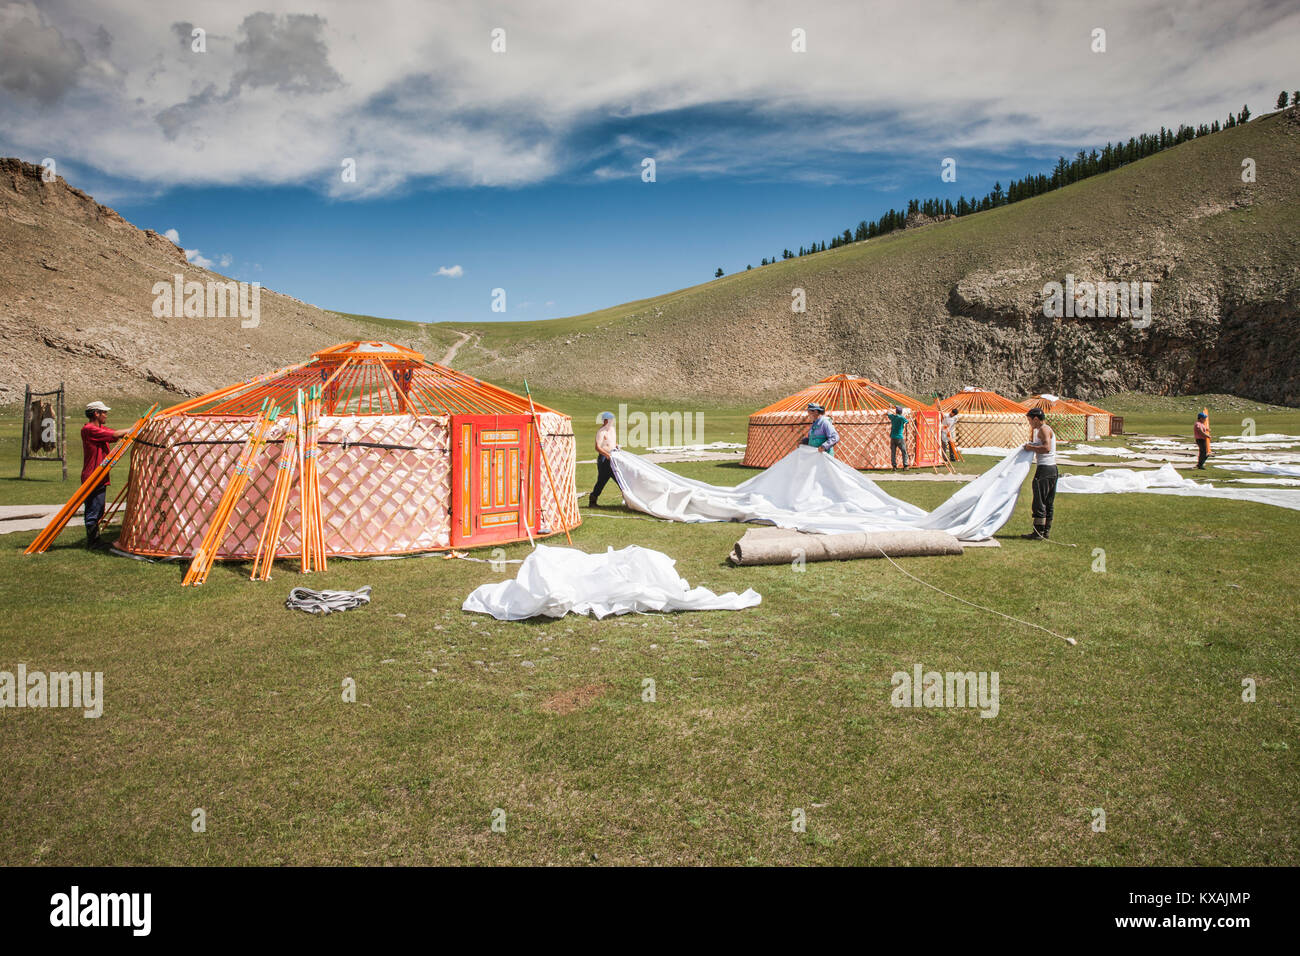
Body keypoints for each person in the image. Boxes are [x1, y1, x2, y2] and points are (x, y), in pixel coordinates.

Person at [81, 401, 129, 548]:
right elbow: (115, 434)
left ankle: (95, 540)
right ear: (96, 413)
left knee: (99, 508)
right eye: (104, 413)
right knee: (94, 508)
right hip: (93, 475)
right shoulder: (89, 429)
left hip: (100, 475)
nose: (106, 415)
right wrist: (138, 427)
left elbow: (116, 434)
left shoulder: (99, 429)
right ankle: (93, 542)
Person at [1021, 407, 1057, 540]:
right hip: (1051, 469)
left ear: (1036, 419)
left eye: (1030, 420)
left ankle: (1038, 532)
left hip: (1045, 469)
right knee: (1048, 501)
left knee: (1039, 500)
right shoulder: (1044, 429)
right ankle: (1045, 531)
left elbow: (1046, 448)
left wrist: (1030, 448)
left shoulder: (1043, 429)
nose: (1029, 423)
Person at [588, 411, 621, 507]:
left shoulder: (612, 429)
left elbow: (612, 442)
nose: (611, 422)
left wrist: (617, 446)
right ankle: (593, 500)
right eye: (609, 420)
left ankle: (628, 498)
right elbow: (597, 447)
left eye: (612, 420)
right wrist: (606, 455)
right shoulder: (601, 431)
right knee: (602, 480)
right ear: (605, 421)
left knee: (620, 478)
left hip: (613, 456)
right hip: (604, 459)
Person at [887, 405, 909, 470]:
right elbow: (907, 422)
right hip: (899, 437)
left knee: (893, 452)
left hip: (893, 437)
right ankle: (905, 465)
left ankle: (894, 466)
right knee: (904, 451)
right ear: (901, 412)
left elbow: (888, 413)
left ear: (896, 411)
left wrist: (890, 407)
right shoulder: (902, 418)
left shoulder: (892, 417)